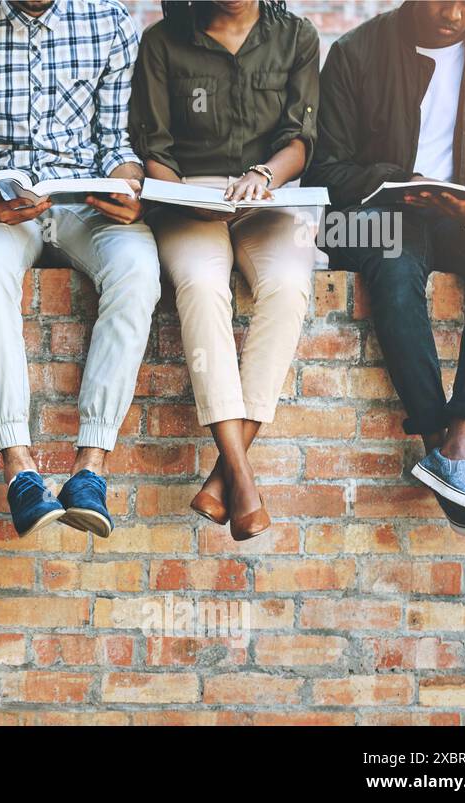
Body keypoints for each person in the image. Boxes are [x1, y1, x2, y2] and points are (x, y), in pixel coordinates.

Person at [305, 0, 465, 537]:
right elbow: (327, 169)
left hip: (463, 217)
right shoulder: (355, 53)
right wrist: (401, 180)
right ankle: (438, 447)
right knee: (392, 259)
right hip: (376, 215)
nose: (454, 14)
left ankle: (459, 441)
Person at [0, 0, 161, 538]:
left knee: (137, 268)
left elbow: (117, 144)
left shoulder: (108, 23)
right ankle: (20, 468)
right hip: (0, 204)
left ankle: (91, 469)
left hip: (83, 200)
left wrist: (130, 186)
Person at [131, 0, 319, 541]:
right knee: (201, 284)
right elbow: (153, 150)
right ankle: (241, 476)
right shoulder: (164, 42)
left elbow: (300, 139)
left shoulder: (297, 37)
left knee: (288, 288)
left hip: (268, 198)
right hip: (188, 199)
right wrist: (183, 196)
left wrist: (263, 176)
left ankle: (223, 476)